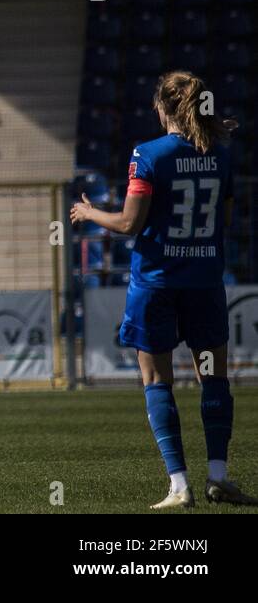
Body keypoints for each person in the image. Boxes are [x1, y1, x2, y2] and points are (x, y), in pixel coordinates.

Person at [70, 70, 256, 508]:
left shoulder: (148, 155)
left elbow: (129, 224)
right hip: (205, 282)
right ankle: (218, 476)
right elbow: (224, 222)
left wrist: (90, 212)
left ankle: (179, 485)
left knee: (157, 379)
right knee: (214, 377)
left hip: (156, 283)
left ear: (162, 108)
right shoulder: (221, 155)